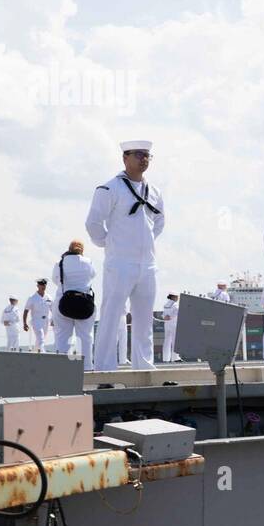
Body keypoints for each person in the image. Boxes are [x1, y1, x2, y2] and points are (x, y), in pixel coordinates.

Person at [86, 140, 165, 371]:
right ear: (124, 158)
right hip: (119, 262)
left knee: (144, 319)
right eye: (138, 154)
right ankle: (105, 368)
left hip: (147, 263)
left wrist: (145, 243)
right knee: (112, 315)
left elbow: (159, 222)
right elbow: (93, 223)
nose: (144, 159)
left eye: (148, 155)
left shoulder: (155, 192)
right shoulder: (110, 188)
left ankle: (144, 365)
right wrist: (109, 244)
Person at [52, 240, 97, 370]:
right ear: (82, 250)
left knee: (62, 337)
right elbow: (92, 275)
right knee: (85, 338)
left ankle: (62, 369)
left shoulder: (60, 263)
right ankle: (87, 368)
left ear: (69, 249)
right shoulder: (88, 262)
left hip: (64, 302)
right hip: (84, 303)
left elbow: (56, 280)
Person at [24, 279, 52, 352]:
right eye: (41, 284)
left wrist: (53, 320)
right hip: (36, 320)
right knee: (41, 337)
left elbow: (53, 309)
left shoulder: (48, 297)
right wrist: (25, 323)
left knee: (40, 339)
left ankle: (35, 353)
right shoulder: (32, 297)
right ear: (37, 286)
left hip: (46, 321)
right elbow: (26, 310)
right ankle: (43, 354)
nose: (43, 286)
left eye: (44, 285)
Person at [161, 293, 179, 361]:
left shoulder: (166, 304)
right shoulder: (175, 304)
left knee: (167, 341)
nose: (178, 298)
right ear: (174, 297)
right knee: (175, 341)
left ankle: (165, 358)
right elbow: (176, 312)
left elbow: (163, 315)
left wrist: (165, 317)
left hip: (167, 324)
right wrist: (170, 317)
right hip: (174, 324)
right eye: (177, 297)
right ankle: (175, 358)